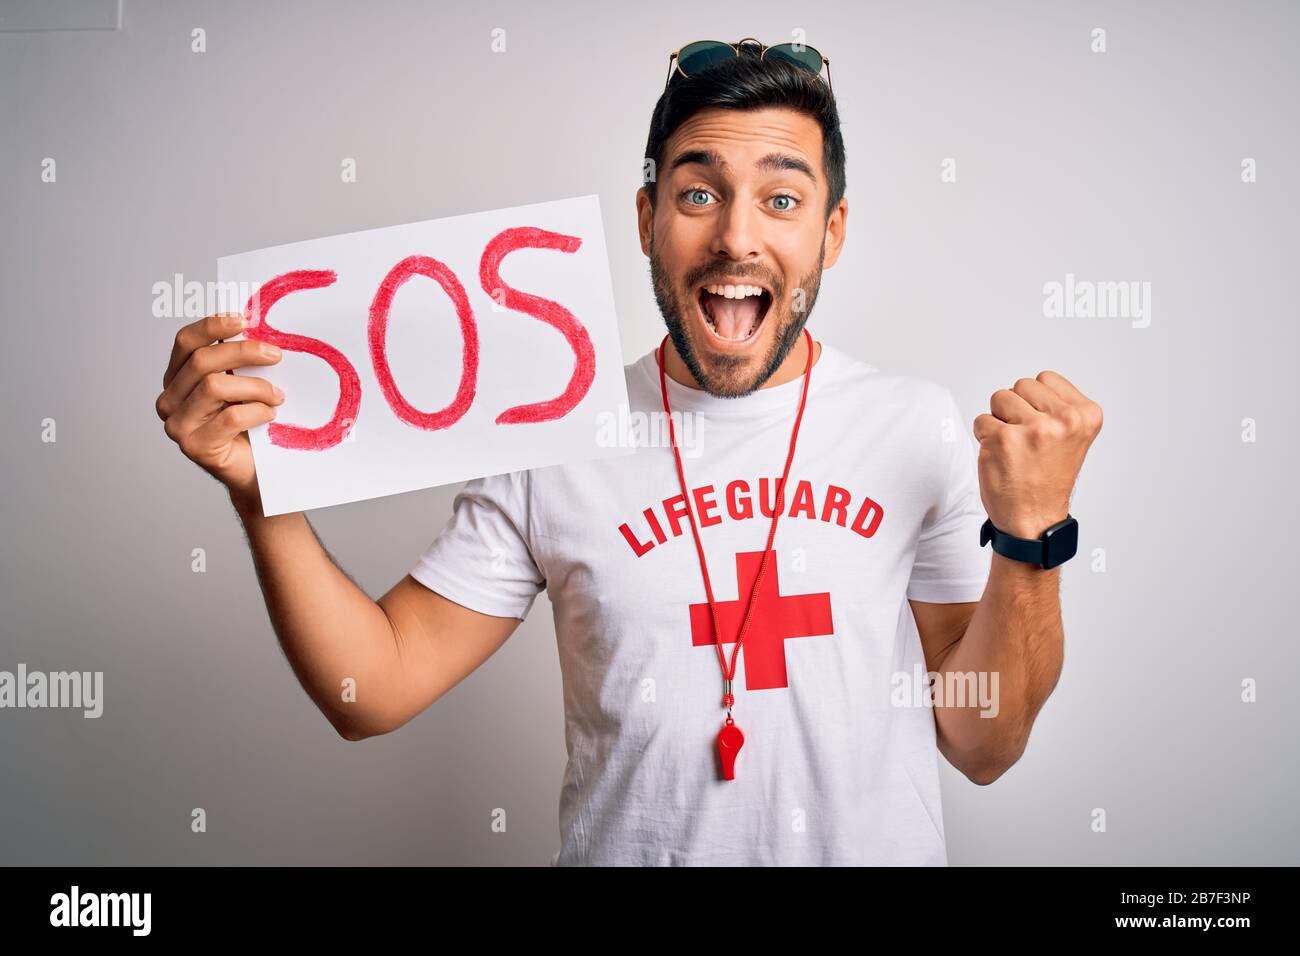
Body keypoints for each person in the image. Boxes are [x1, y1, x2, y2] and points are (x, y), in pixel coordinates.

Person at [155, 38, 1102, 865]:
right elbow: (375, 686)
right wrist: (257, 488)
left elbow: (983, 745)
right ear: (646, 219)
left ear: (831, 234)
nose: (737, 237)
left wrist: (1032, 535)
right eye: (699, 193)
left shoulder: (914, 427)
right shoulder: (554, 433)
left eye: (781, 198)